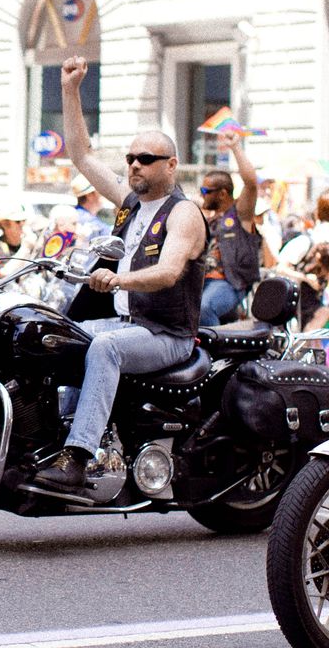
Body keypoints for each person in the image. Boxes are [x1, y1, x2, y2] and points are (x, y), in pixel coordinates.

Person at [35, 55, 208, 491]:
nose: (134, 165)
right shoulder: (131, 202)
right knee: (54, 334)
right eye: (131, 157)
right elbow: (81, 155)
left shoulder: (183, 213)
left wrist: (118, 280)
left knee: (106, 348)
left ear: (171, 164)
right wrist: (70, 91)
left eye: (146, 158)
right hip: (127, 322)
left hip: (166, 334)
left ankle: (77, 458)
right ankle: (45, 438)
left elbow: (168, 273)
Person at [198, 134, 260, 326]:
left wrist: (235, 147)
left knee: (204, 308)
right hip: (201, 282)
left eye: (206, 191)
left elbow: (251, 183)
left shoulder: (240, 214)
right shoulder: (208, 219)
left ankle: (212, 353)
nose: (202, 195)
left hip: (228, 283)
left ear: (223, 193)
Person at [277, 190, 329, 329]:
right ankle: (303, 349)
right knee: (322, 314)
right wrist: (306, 278)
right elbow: (280, 268)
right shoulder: (307, 241)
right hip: (296, 299)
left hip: (315, 299)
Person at [71, 173, 112, 244]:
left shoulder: (76, 214)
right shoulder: (85, 219)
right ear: (89, 195)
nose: (103, 194)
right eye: (100, 191)